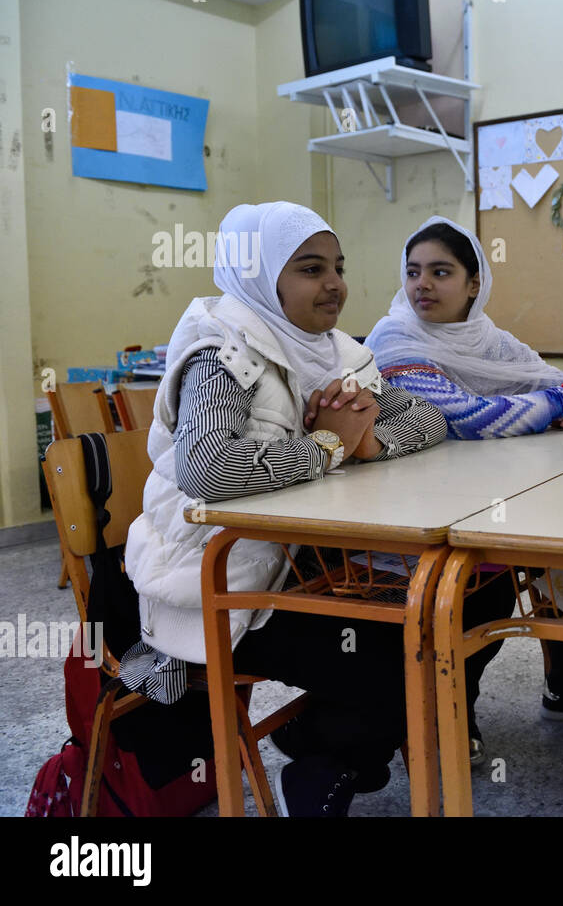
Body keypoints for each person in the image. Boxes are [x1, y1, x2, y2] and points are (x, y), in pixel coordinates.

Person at [123, 201, 500, 816]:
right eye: (309, 268)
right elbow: (207, 469)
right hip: (221, 587)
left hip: (304, 567)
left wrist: (368, 440)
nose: (334, 284)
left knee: (475, 599)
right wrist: (325, 447)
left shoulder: (334, 352)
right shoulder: (223, 353)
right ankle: (328, 766)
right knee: (403, 650)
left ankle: (324, 748)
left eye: (338, 267)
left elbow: (427, 419)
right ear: (260, 274)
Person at [366, 216, 563, 729]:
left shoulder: (487, 339)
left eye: (441, 272)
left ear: (475, 285)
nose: (421, 284)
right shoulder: (396, 338)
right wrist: (560, 403)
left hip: (490, 495)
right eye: (413, 271)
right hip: (420, 514)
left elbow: (550, 380)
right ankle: (453, 716)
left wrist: (557, 401)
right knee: (487, 591)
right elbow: (467, 418)